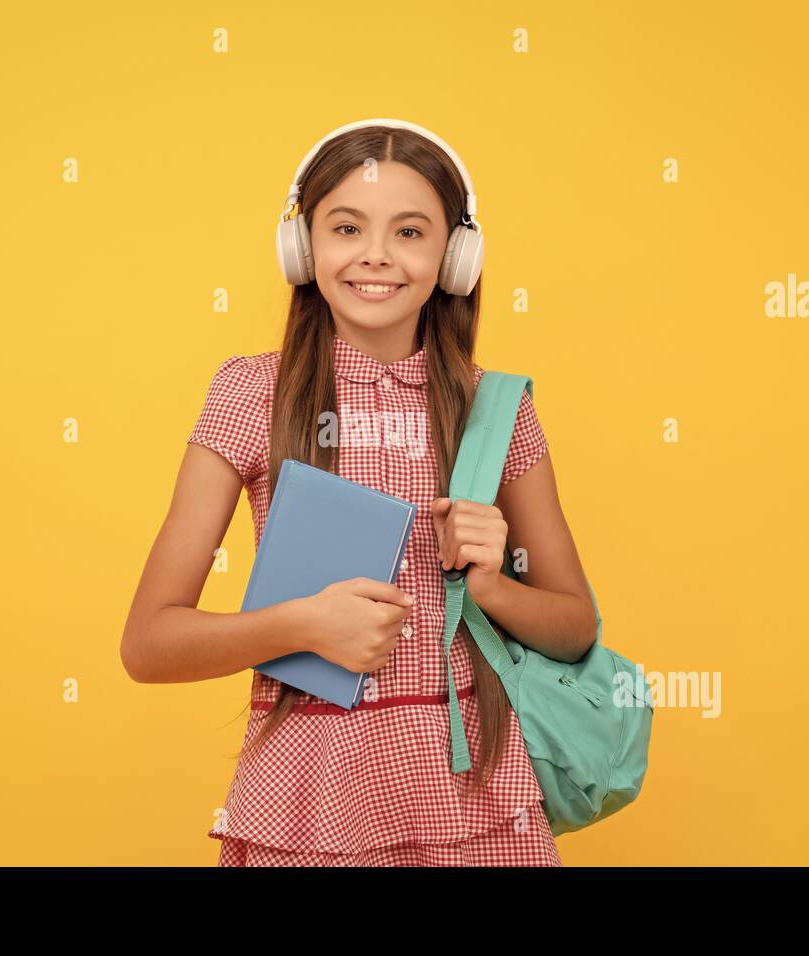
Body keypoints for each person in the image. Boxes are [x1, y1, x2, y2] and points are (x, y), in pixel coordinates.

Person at [120, 120, 597, 866]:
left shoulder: (496, 410)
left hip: (476, 802)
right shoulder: (250, 393)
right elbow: (149, 644)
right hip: (310, 803)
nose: (376, 254)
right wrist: (304, 626)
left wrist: (492, 588)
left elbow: (575, 627)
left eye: (410, 231)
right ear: (305, 247)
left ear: (455, 258)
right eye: (347, 227)